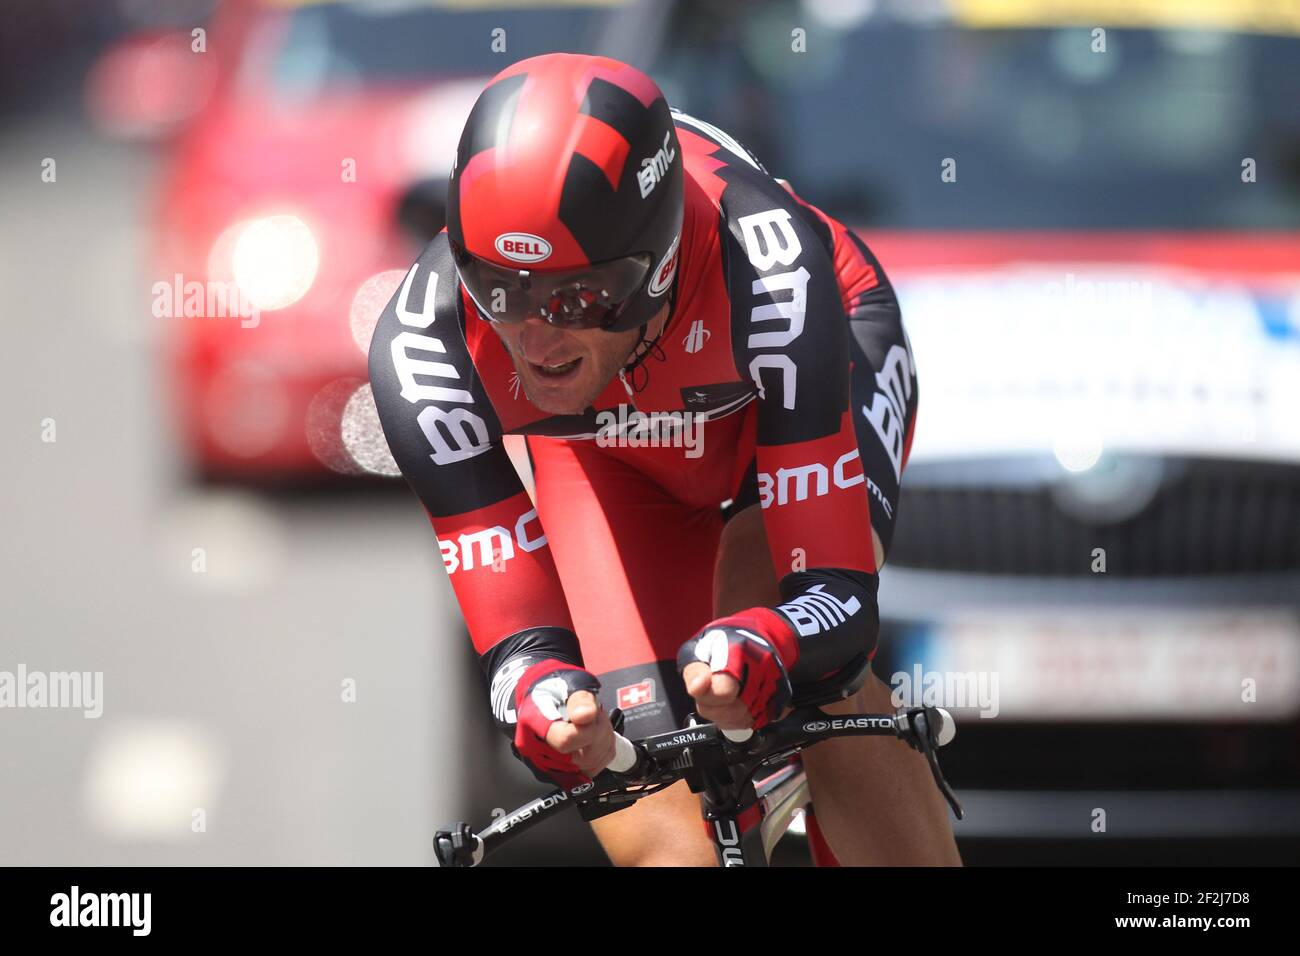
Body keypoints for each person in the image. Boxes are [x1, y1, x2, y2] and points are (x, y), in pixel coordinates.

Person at [369, 52, 959, 866]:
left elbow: (836, 600)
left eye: (575, 299)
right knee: (656, 823)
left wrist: (780, 643)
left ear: (661, 261)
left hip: (777, 411)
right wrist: (541, 699)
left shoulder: (771, 277)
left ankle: (803, 764)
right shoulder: (426, 344)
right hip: (605, 452)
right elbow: (518, 646)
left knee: (813, 686)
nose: (535, 341)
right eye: (499, 291)